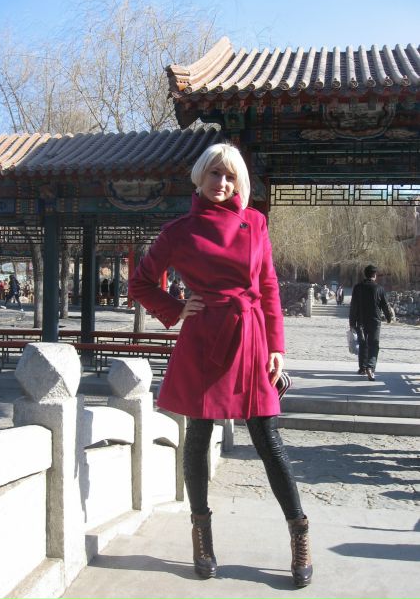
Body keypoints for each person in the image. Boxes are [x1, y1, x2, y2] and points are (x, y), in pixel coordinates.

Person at [129, 143, 312, 587]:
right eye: (215, 173)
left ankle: (300, 532)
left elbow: (268, 284)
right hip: (203, 338)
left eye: (230, 176)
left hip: (250, 338)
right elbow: (141, 282)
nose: (222, 183)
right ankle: (202, 536)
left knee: (267, 437)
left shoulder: (256, 222)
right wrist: (176, 309)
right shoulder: (178, 231)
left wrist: (276, 345)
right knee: (198, 436)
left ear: (240, 181)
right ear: (200, 175)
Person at [349, 264, 393, 381]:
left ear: (365, 274)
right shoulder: (379, 288)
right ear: (374, 275)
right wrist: (389, 317)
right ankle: (370, 367)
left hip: (360, 321)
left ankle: (362, 368)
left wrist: (352, 322)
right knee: (374, 344)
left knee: (362, 343)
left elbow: (353, 306)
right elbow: (385, 305)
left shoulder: (358, 288)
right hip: (375, 321)